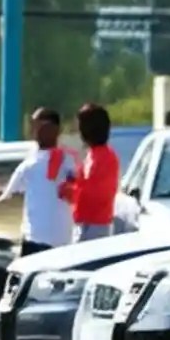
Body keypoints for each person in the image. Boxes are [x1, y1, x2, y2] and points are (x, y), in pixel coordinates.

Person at [0, 108, 75, 257]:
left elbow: (77, 187)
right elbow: (6, 195)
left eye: (40, 125)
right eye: (33, 125)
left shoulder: (68, 160)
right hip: (33, 238)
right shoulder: (29, 162)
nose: (35, 130)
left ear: (55, 129)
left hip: (60, 241)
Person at [60, 103, 119, 243]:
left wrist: (70, 191)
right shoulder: (91, 155)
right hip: (83, 223)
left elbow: (97, 194)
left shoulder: (106, 157)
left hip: (97, 225)